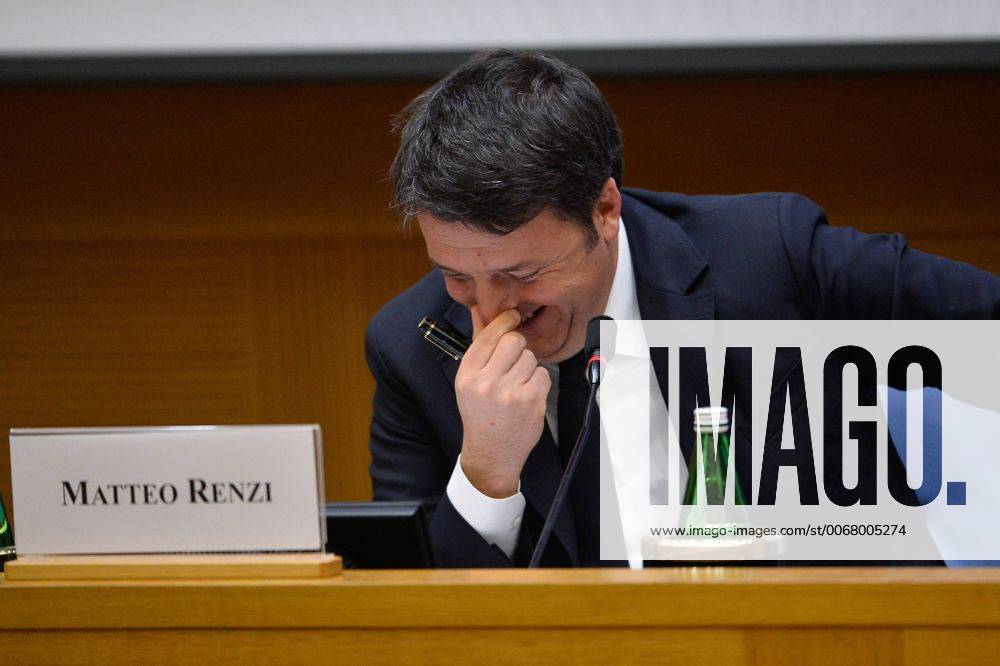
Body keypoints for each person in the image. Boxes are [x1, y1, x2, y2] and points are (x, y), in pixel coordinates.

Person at [365, 49, 1000, 567]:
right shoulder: (410, 348)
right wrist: (486, 473)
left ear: (604, 210)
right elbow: (412, 614)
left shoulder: (769, 257)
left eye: (521, 274)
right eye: (457, 275)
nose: (492, 308)